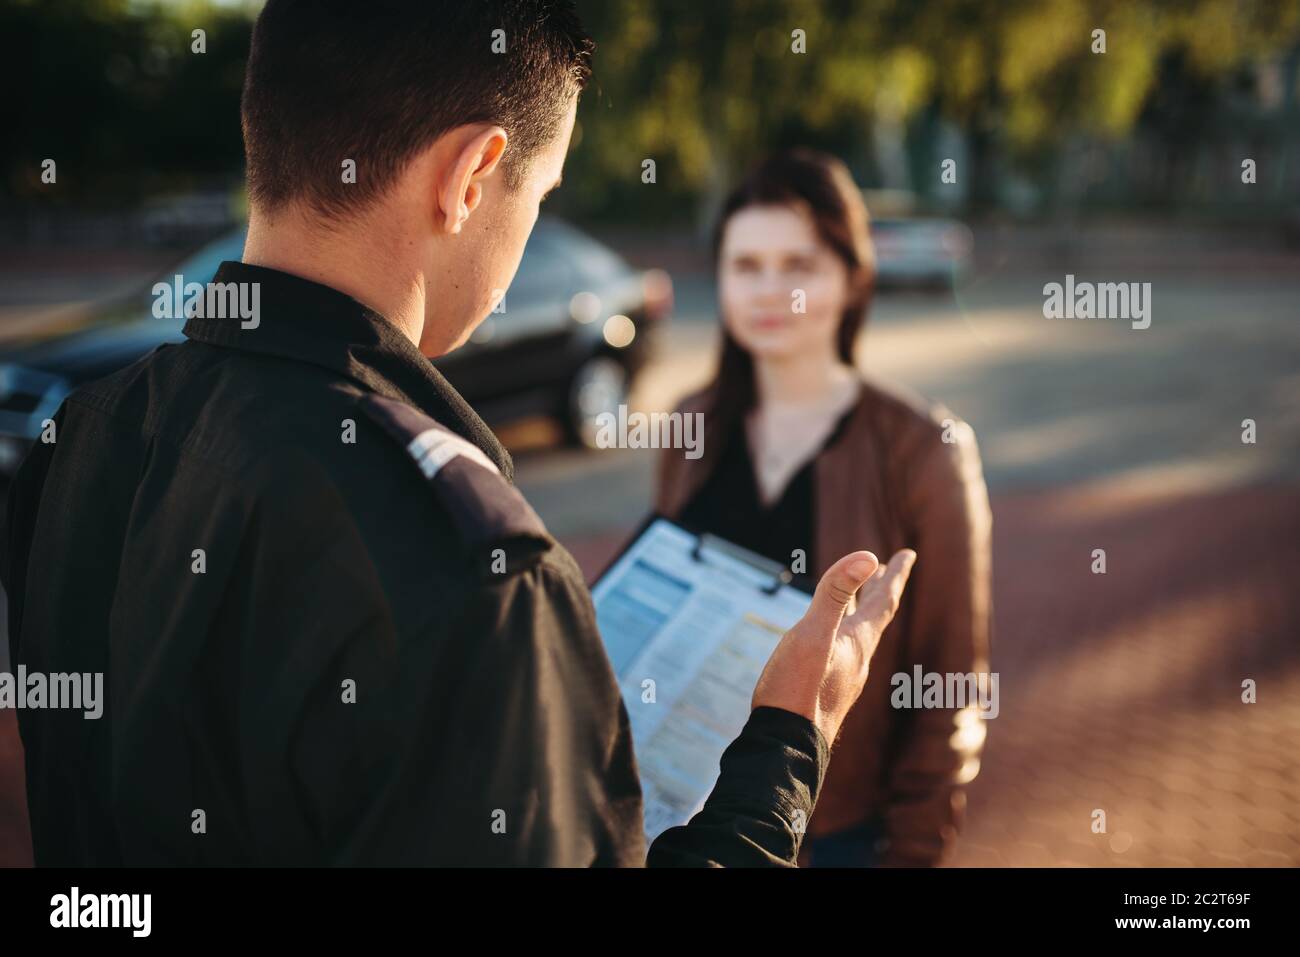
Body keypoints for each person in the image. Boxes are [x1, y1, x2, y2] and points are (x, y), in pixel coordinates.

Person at [1, 1, 915, 867]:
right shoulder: (481, 574)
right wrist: (791, 742)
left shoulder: (84, 437)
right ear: (472, 176)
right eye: (541, 195)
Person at [656, 149, 993, 867]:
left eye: (799, 266)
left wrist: (909, 851)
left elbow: (950, 685)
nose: (770, 290)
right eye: (747, 266)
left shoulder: (924, 447)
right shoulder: (690, 426)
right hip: (688, 817)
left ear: (853, 277)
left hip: (840, 831)